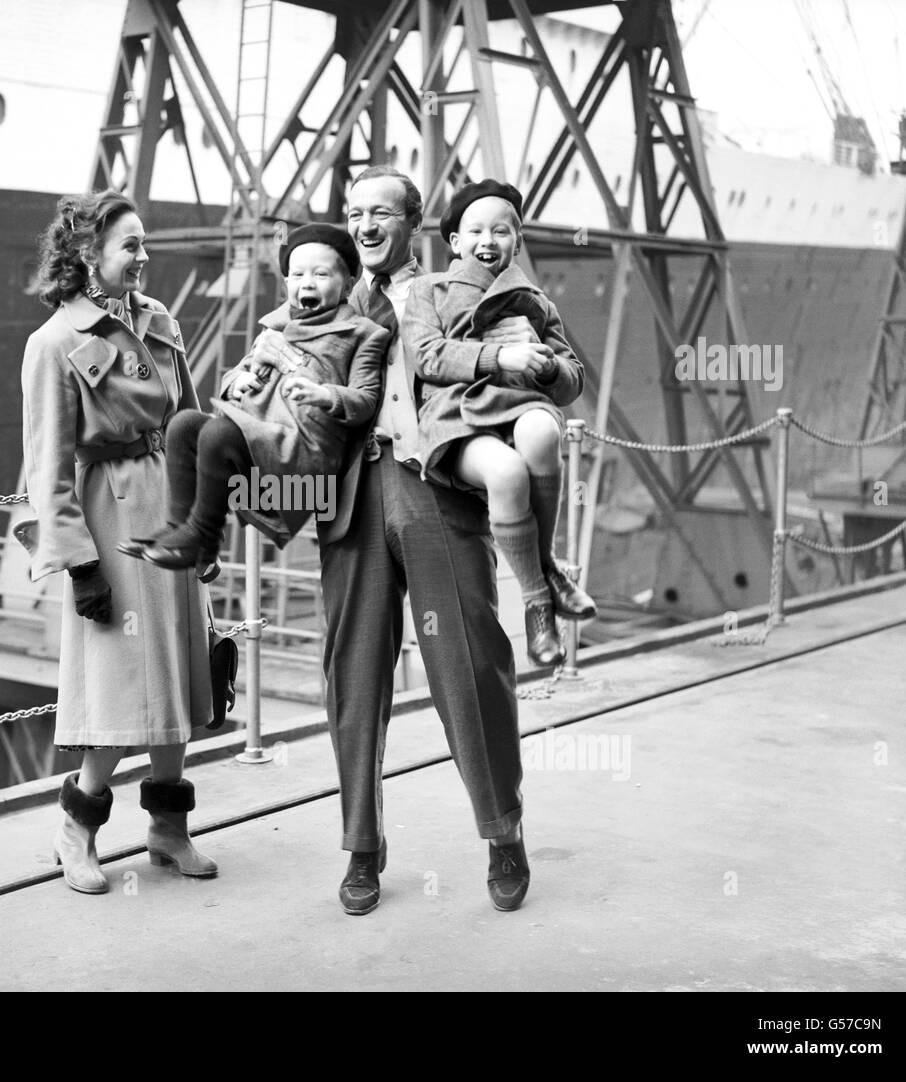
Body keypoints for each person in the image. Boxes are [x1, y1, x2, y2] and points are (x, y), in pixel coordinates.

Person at [246, 166, 536, 915]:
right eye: (353, 213)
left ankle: (502, 832)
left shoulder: (443, 293)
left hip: (431, 489)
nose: (366, 225)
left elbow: (503, 367)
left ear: (413, 222)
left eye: (382, 213)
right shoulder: (321, 301)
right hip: (347, 499)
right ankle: (362, 847)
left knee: (470, 661)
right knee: (353, 675)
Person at [18, 188, 217, 895]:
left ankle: (168, 830)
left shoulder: (158, 321)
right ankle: (77, 829)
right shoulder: (54, 343)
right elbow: (47, 466)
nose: (144, 256)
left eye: (144, 243)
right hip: (111, 521)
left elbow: (190, 422)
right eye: (130, 245)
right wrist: (80, 568)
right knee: (117, 686)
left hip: (168, 509)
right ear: (86, 256)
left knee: (179, 672)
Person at [402, 179, 596, 668]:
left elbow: (572, 380)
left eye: (502, 231)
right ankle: (538, 600)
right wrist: (500, 354)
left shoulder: (534, 300)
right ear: (456, 242)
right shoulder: (430, 290)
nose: (488, 241)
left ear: (518, 240)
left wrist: (548, 365)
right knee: (507, 473)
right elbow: (427, 356)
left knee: (543, 431)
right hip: (456, 417)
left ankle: (546, 566)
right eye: (477, 231)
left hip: (519, 406)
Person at [120, 223, 387, 566]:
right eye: (297, 274)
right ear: (287, 282)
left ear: (348, 284)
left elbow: (365, 399)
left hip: (301, 467)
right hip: (257, 452)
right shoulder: (273, 327)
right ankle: (179, 529)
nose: (307, 282)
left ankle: (203, 536)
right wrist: (239, 379)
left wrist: (323, 394)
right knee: (184, 424)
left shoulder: (363, 334)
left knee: (218, 432)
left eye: (321, 274)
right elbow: (235, 375)